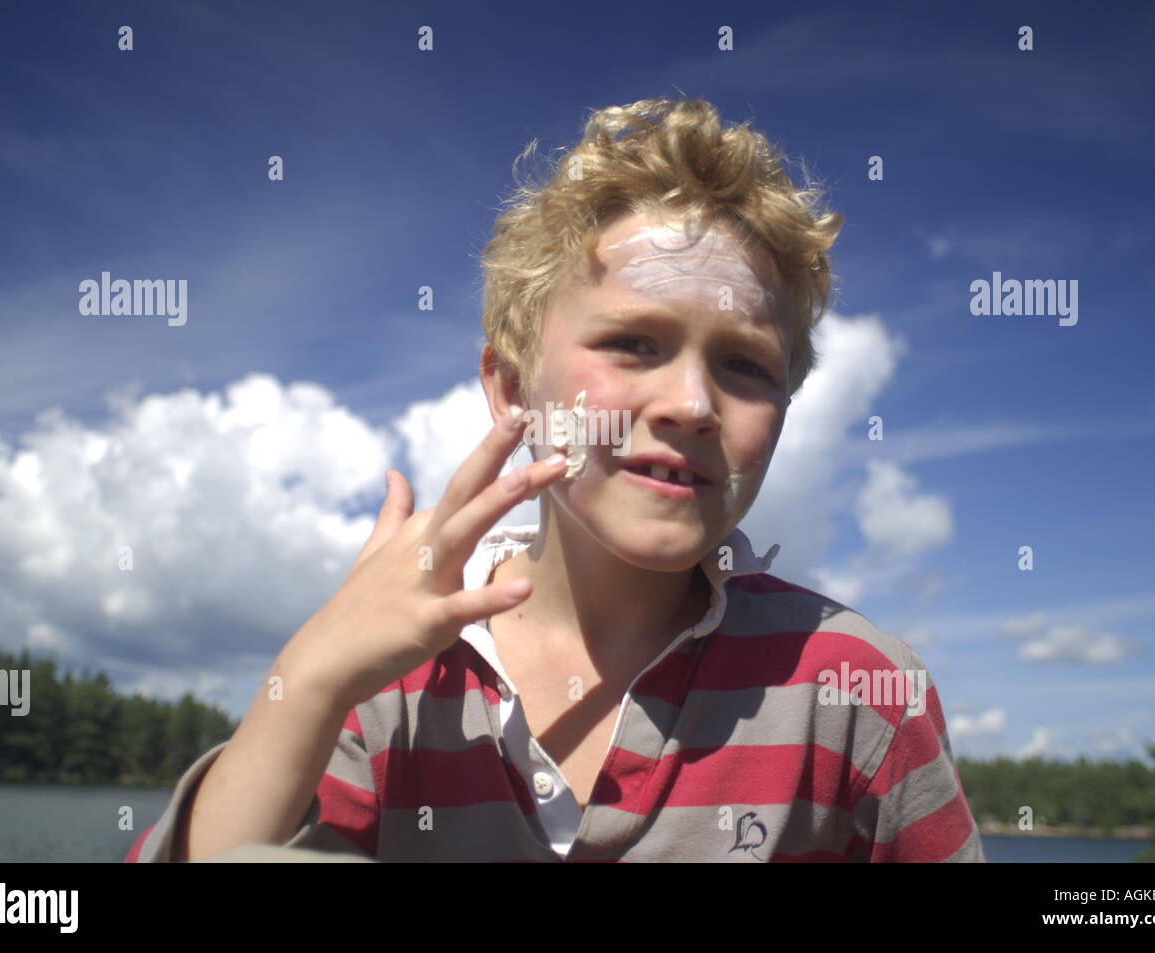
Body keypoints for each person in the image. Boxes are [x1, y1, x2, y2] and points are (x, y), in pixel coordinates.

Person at [127, 97, 984, 863]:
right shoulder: (396, 676)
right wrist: (315, 669)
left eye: (746, 365)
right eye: (633, 344)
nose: (693, 404)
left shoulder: (855, 688)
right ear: (511, 388)